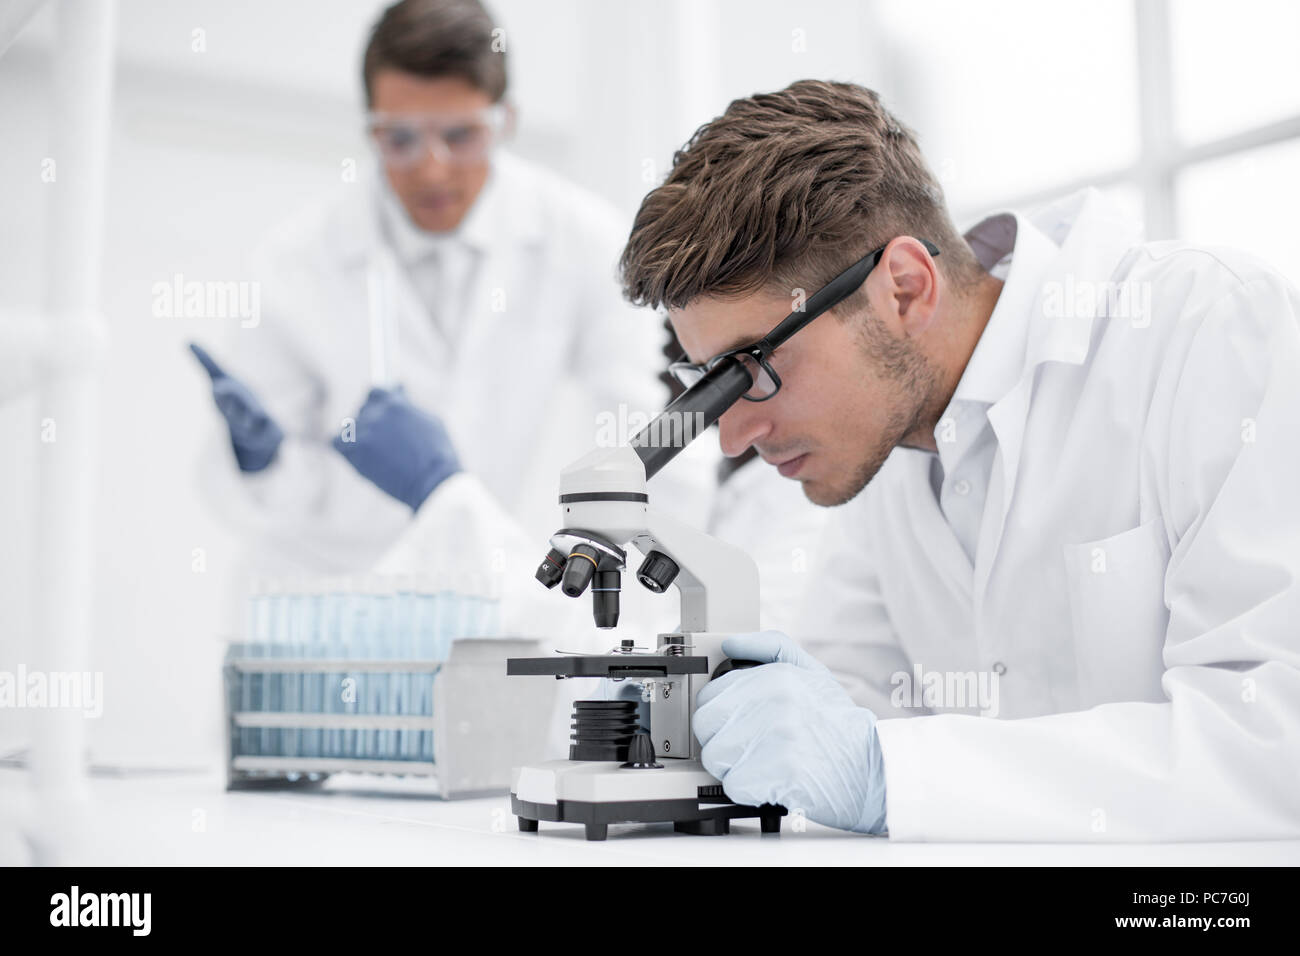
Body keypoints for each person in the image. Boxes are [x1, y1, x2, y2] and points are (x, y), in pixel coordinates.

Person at [613, 79, 1300, 841]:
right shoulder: (880, 447)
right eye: (707, 384)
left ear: (904, 289)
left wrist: (885, 774)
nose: (732, 436)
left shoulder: (1212, 331)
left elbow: (1274, 740)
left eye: (753, 368)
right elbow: (851, 705)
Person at [190, 0, 712, 583]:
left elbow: (643, 426)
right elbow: (263, 498)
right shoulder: (296, 261)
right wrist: (257, 459)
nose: (431, 169)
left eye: (461, 135)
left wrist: (668, 570)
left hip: (485, 586)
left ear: (505, 121)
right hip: (327, 595)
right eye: (401, 139)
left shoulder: (580, 240)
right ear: (370, 130)